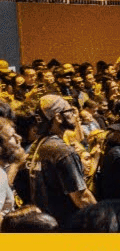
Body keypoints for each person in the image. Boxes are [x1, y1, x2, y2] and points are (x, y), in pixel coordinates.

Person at [19, 95, 95, 227]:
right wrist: (102, 218)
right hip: (66, 225)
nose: (74, 115)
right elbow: (82, 198)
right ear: (58, 117)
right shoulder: (63, 151)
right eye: (69, 111)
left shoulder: (38, 145)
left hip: (46, 224)